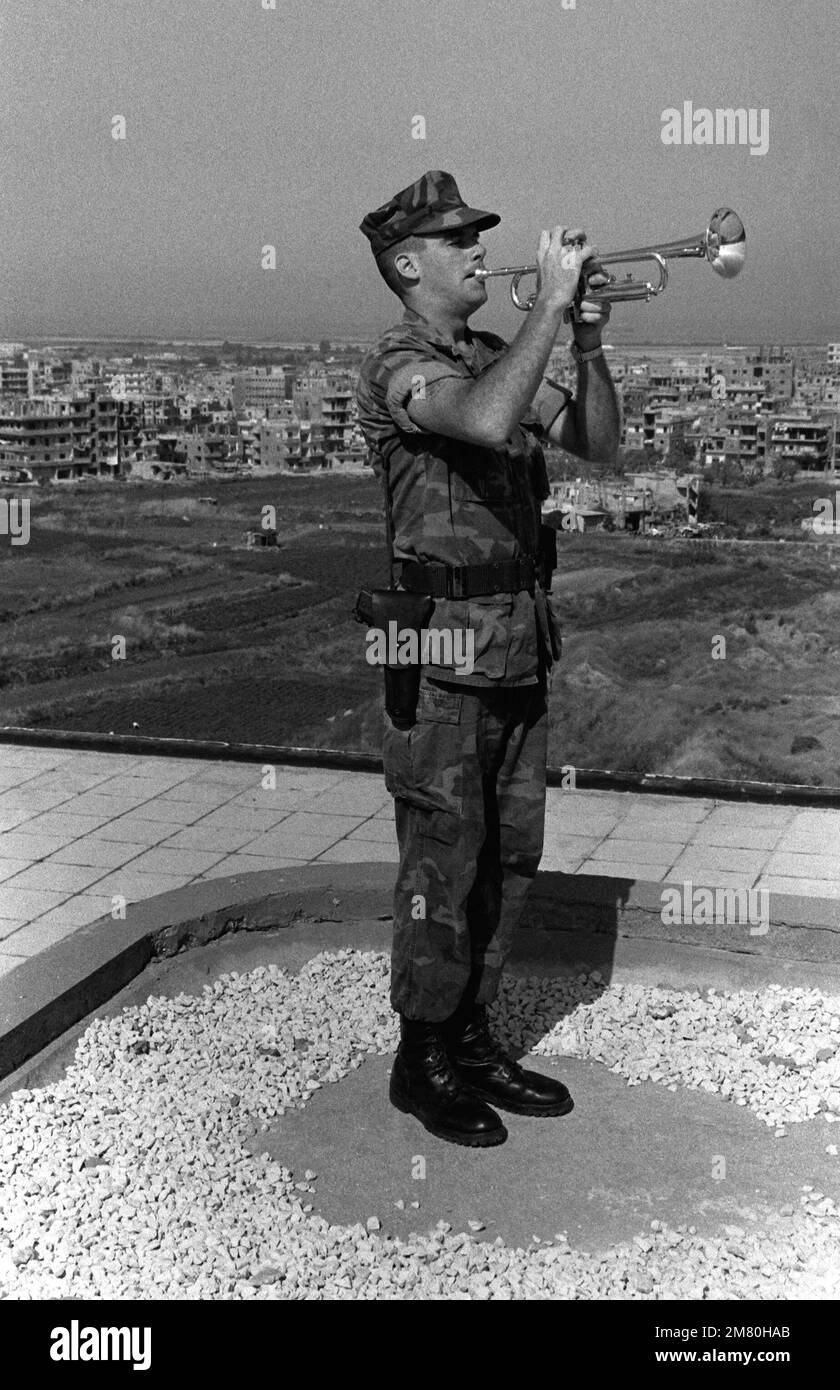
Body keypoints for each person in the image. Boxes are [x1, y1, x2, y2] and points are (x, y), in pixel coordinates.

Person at [356, 170, 620, 1147]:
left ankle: (471, 1037)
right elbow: (482, 419)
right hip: (433, 652)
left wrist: (585, 337)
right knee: (442, 855)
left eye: (481, 236)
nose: (480, 250)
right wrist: (551, 302)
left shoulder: (493, 352)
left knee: (509, 857)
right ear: (408, 263)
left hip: (516, 642)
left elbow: (598, 444)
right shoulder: (398, 362)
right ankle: (420, 1057)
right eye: (460, 239)